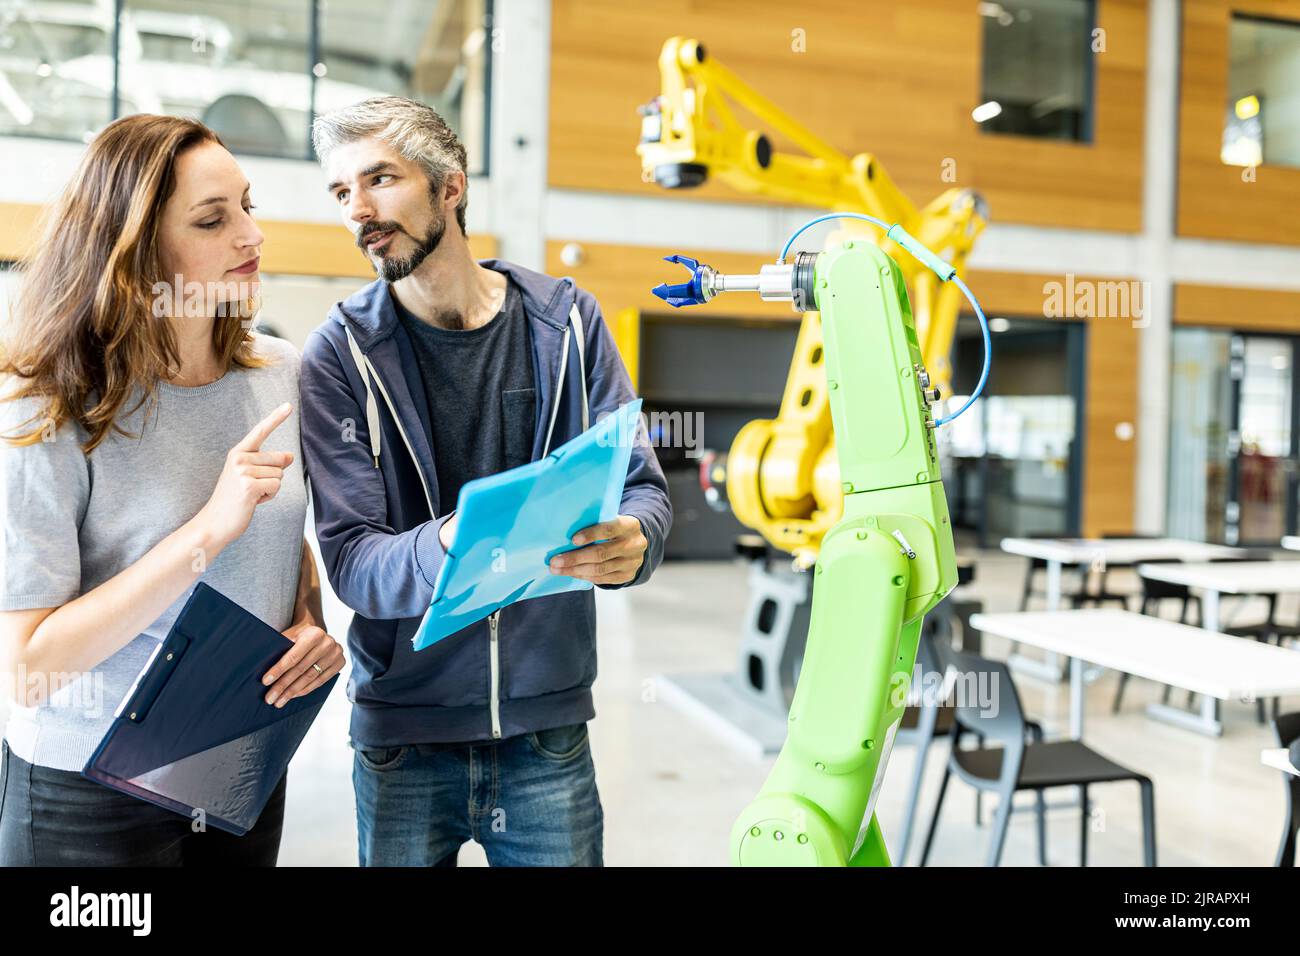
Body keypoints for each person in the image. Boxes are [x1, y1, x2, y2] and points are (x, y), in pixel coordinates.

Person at [302, 96, 672, 866]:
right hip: (404, 739)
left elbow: (640, 485)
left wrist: (638, 542)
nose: (359, 211)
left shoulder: (568, 322)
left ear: (450, 186)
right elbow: (353, 564)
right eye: (341, 193)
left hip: (547, 731)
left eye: (379, 179)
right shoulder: (337, 355)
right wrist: (460, 541)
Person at [0, 114, 344, 866]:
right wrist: (203, 533)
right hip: (84, 793)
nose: (251, 236)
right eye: (213, 220)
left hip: (233, 759)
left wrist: (308, 621)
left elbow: (287, 545)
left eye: (248, 207)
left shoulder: (279, 372)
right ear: (132, 249)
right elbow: (27, 669)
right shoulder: (45, 405)